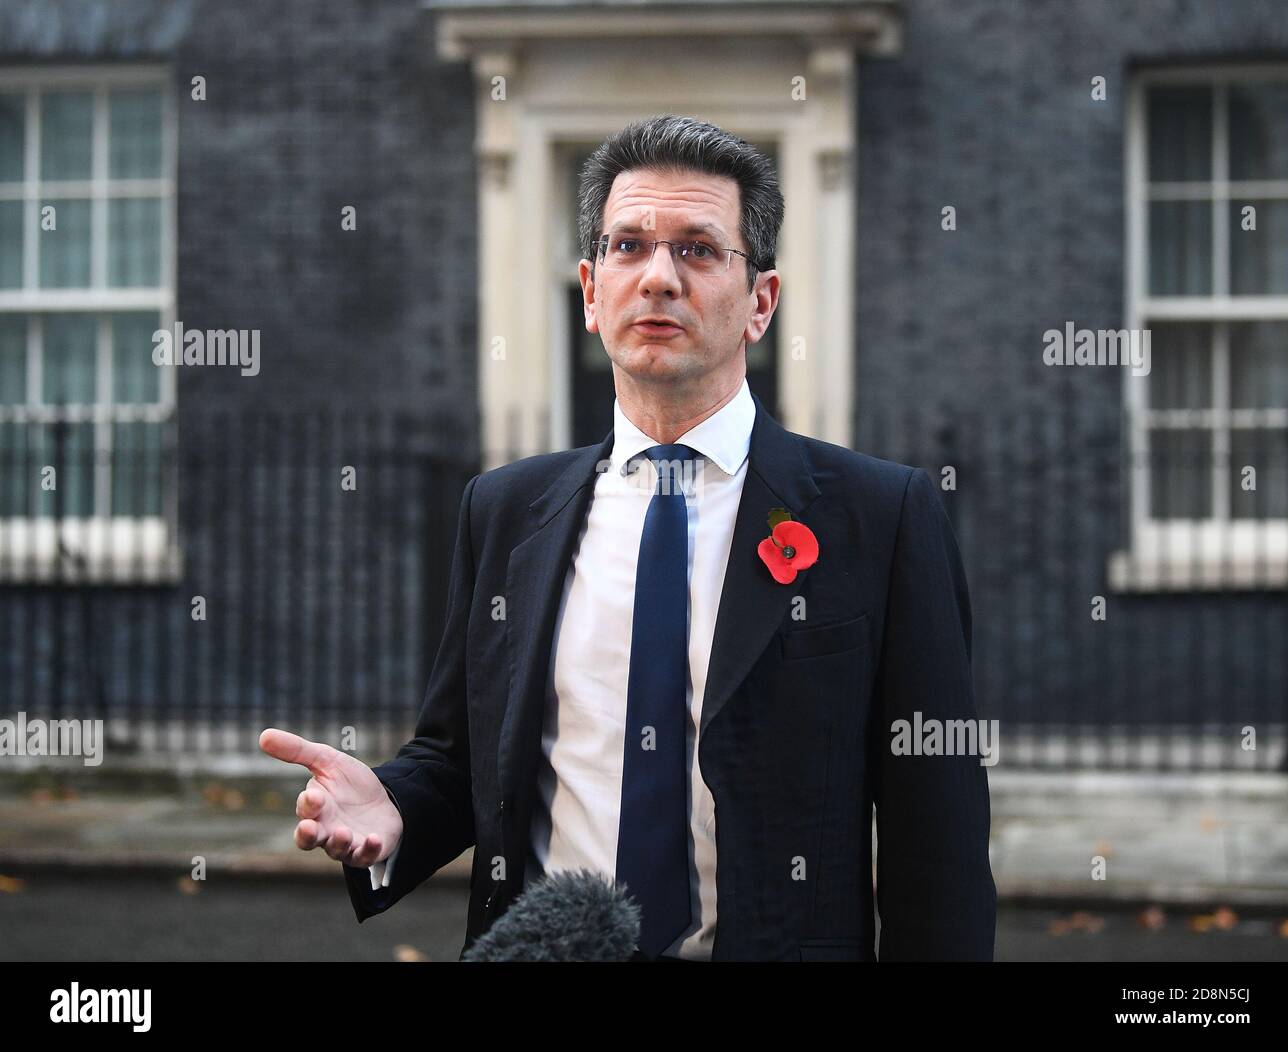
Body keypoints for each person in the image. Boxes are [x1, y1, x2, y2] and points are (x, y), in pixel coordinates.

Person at [260, 113, 996, 962]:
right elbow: (463, 759)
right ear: (590, 290)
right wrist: (392, 806)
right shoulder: (503, 510)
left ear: (761, 302)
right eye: (629, 246)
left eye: (698, 249)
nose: (657, 278)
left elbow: (935, 841)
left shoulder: (881, 516)